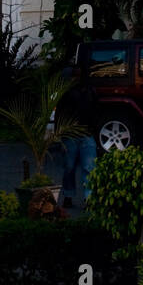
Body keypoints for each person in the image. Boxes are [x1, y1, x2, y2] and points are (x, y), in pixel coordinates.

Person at [55, 63, 98, 209]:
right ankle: (74, 195)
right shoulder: (72, 92)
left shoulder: (88, 91)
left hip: (83, 132)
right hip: (75, 133)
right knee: (73, 167)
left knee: (85, 167)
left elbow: (95, 110)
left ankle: (87, 197)